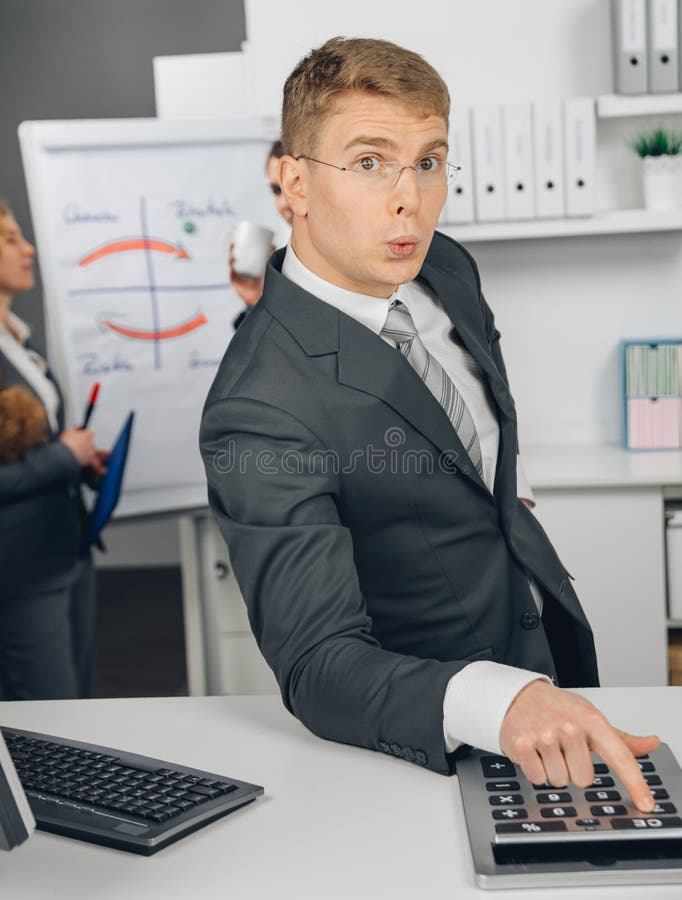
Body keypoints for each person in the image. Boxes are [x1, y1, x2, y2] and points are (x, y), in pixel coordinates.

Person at [200, 37, 659, 812]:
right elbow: (317, 666)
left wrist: (503, 496)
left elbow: (481, 411)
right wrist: (501, 702)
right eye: (370, 162)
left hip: (551, 665)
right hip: (427, 740)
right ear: (295, 183)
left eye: (430, 161)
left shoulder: (443, 265)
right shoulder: (258, 406)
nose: (408, 197)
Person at [0, 202, 107, 700]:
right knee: (48, 714)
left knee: (76, 703)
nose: (29, 250)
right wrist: (64, 457)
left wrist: (80, 463)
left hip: (63, 551)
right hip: (21, 568)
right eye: (10, 240)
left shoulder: (17, 339)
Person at [229, 139, 293, 330]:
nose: (285, 203)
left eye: (295, 185)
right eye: (276, 190)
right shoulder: (285, 268)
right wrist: (258, 301)